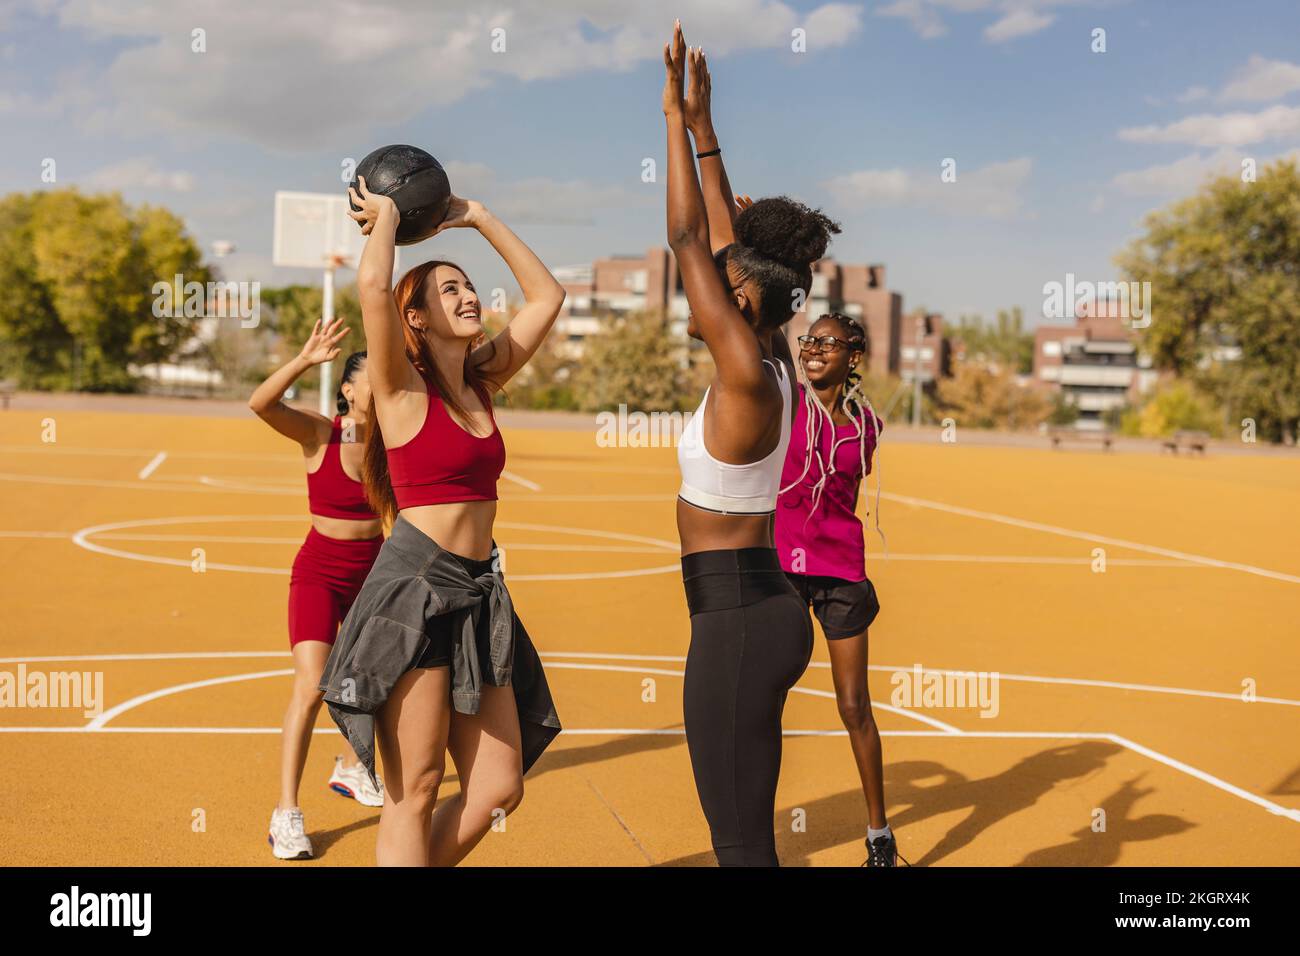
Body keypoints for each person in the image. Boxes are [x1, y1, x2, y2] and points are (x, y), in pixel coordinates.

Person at [320, 175, 563, 866]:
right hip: (415, 589)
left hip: (479, 589)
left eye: (469, 286)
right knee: (416, 786)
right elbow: (373, 291)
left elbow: (547, 296)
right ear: (417, 318)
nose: (468, 296)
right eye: (448, 289)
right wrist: (390, 220)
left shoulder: (483, 379)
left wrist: (480, 216)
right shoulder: (400, 389)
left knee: (497, 784)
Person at [664, 22, 841, 866]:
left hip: (735, 624)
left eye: (726, 281)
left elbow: (690, 241)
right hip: (763, 608)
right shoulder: (769, 350)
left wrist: (671, 116)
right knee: (748, 834)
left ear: (741, 295)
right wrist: (705, 134)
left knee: (739, 846)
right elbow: (732, 244)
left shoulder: (743, 366)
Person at [248, 329, 385, 860]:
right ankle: (286, 813)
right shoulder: (320, 434)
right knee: (311, 688)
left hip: (373, 574)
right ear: (349, 389)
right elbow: (261, 403)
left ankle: (352, 768)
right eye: (373, 377)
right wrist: (304, 359)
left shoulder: (393, 441)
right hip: (320, 576)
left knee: (372, 682)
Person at [777, 311, 904, 866]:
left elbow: (851, 487)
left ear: (853, 355)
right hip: (780, 565)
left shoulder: (866, 425)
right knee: (766, 697)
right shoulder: (784, 401)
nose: (813, 349)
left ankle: (879, 834)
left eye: (829, 342)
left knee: (854, 705)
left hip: (842, 570)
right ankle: (753, 831)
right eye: (809, 339)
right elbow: (768, 337)